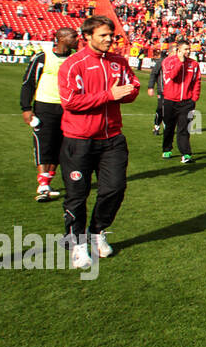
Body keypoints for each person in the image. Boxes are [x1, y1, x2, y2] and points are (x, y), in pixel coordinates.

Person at [58, 16, 139, 270]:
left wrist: (125, 93)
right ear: (88, 36)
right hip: (78, 140)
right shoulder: (74, 65)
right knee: (77, 195)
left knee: (115, 188)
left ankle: (97, 231)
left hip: (112, 138)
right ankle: (78, 245)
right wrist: (108, 95)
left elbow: (133, 86)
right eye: (103, 35)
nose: (109, 39)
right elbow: (70, 101)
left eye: (111, 35)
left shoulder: (119, 61)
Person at [20, 26, 76, 201]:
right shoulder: (42, 57)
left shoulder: (75, 59)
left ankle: (46, 182)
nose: (77, 39)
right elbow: (28, 83)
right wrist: (26, 108)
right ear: (61, 38)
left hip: (68, 108)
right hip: (45, 107)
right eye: (73, 36)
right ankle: (43, 185)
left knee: (60, 146)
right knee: (44, 144)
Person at [160, 38, 201, 163]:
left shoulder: (194, 64)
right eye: (185, 49)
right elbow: (171, 76)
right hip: (170, 100)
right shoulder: (168, 61)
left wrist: (194, 98)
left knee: (184, 128)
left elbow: (197, 82)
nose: (187, 52)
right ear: (178, 50)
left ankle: (186, 154)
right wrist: (180, 62)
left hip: (186, 102)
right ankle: (167, 149)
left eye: (189, 49)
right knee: (169, 127)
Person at [147, 50, 164, 135]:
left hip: (174, 92)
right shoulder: (162, 62)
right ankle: (156, 126)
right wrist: (151, 87)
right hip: (162, 90)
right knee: (160, 109)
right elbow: (153, 73)